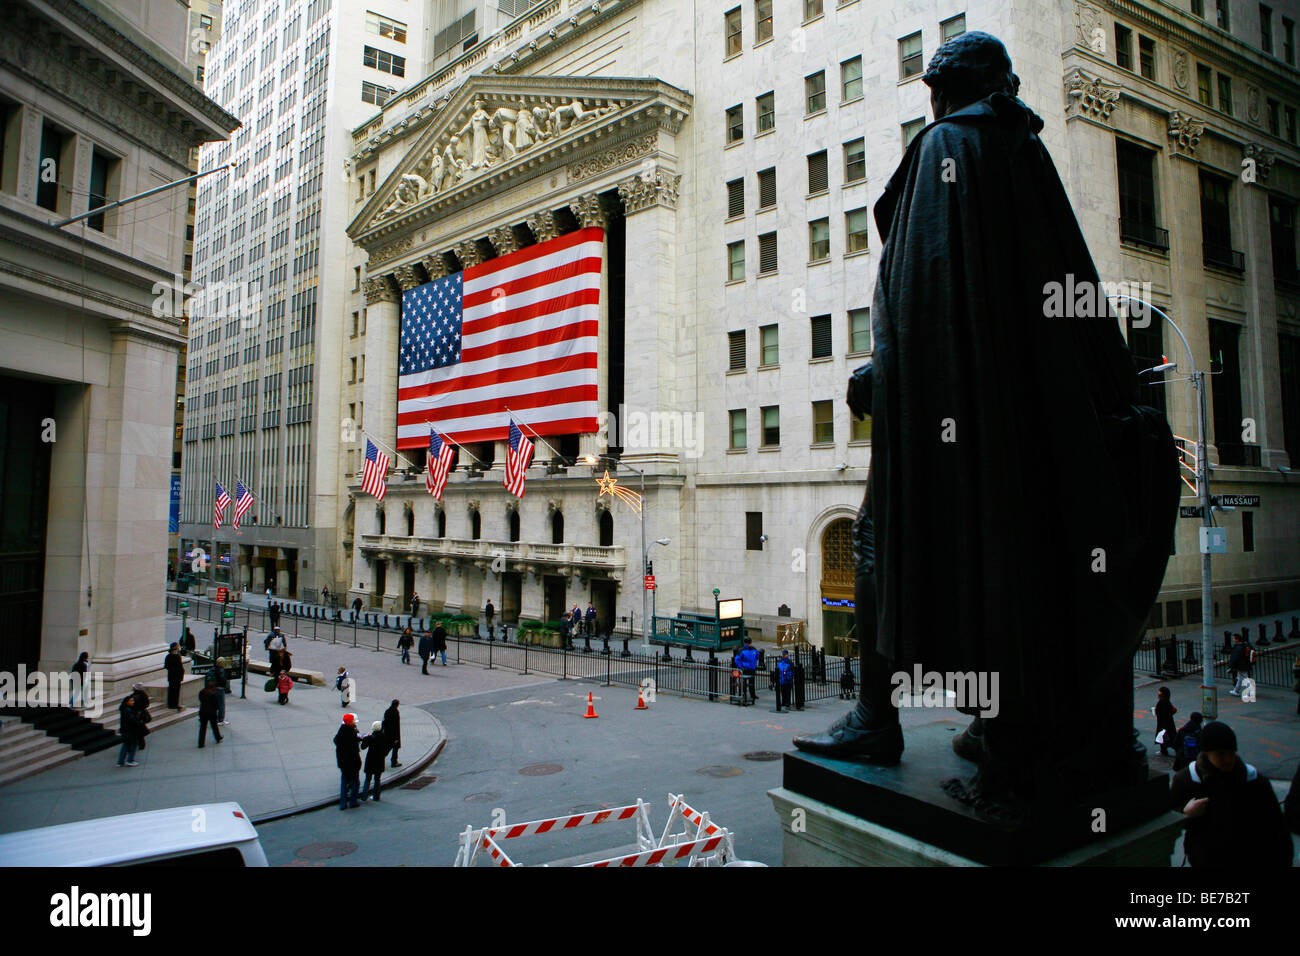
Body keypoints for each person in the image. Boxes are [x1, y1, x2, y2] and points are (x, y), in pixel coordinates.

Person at [793, 32, 1179, 811]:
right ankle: (1004, 721)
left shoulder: (950, 148)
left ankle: (882, 719)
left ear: (941, 89)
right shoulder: (1019, 153)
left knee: (881, 545)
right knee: (1011, 564)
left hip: (951, 429)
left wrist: (887, 377)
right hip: (1025, 428)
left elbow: (931, 303)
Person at [1169, 720, 1292, 867]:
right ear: (1206, 753)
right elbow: (1168, 820)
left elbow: (1277, 829)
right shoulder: (1187, 780)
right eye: (1220, 754)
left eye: (1231, 753)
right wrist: (1185, 813)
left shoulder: (1254, 781)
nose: (1228, 759)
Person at [335, 714, 362, 810]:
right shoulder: (352, 733)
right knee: (355, 782)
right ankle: (353, 801)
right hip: (352, 763)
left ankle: (343, 803)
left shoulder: (341, 732)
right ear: (350, 722)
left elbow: (336, 740)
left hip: (343, 763)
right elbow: (354, 751)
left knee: (344, 781)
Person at [360, 721, 392, 802]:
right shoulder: (384, 737)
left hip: (370, 760)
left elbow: (363, 747)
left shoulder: (370, 737)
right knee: (377, 779)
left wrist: (365, 739)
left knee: (368, 779)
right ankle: (376, 796)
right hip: (379, 760)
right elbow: (387, 747)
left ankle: (364, 796)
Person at [116, 691, 148, 767]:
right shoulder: (128, 710)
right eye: (131, 701)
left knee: (125, 745)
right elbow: (132, 720)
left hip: (124, 730)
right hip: (129, 730)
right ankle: (130, 760)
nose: (133, 702)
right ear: (127, 702)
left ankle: (120, 761)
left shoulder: (124, 709)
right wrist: (138, 722)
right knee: (133, 744)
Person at [197, 679, 223, 748]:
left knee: (202, 728)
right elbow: (216, 704)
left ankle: (201, 743)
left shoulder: (202, 692)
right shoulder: (213, 694)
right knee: (214, 726)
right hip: (212, 713)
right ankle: (218, 738)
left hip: (203, 712)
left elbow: (201, 700)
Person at [1154, 686, 1178, 758]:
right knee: (1171, 737)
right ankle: (1166, 750)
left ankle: (1164, 750)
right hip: (1169, 723)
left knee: (1164, 737)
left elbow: (1160, 712)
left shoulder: (1162, 702)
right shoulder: (1167, 702)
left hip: (1163, 723)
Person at [735, 638, 759, 704]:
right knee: (749, 682)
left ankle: (747, 694)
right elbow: (757, 656)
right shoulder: (753, 649)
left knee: (747, 682)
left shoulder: (741, 650)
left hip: (746, 668)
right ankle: (749, 694)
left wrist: (741, 666)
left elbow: (737, 659)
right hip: (749, 668)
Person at [164, 642, 185, 710]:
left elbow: (166, 666)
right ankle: (174, 704)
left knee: (172, 690)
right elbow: (179, 667)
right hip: (176, 676)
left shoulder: (168, 656)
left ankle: (171, 704)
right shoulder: (177, 656)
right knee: (175, 691)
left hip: (172, 676)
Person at [383, 700, 402, 768]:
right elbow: (396, 726)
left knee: (387, 748)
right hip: (394, 735)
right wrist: (396, 738)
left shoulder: (387, 711)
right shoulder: (396, 712)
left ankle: (381, 760)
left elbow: (384, 722)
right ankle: (394, 762)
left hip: (387, 733)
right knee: (394, 748)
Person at [211, 656, 230, 725]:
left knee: (215, 704)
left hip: (213, 688)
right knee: (221, 704)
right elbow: (223, 679)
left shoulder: (213, 669)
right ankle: (221, 719)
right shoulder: (221, 670)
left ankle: (215, 719)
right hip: (220, 688)